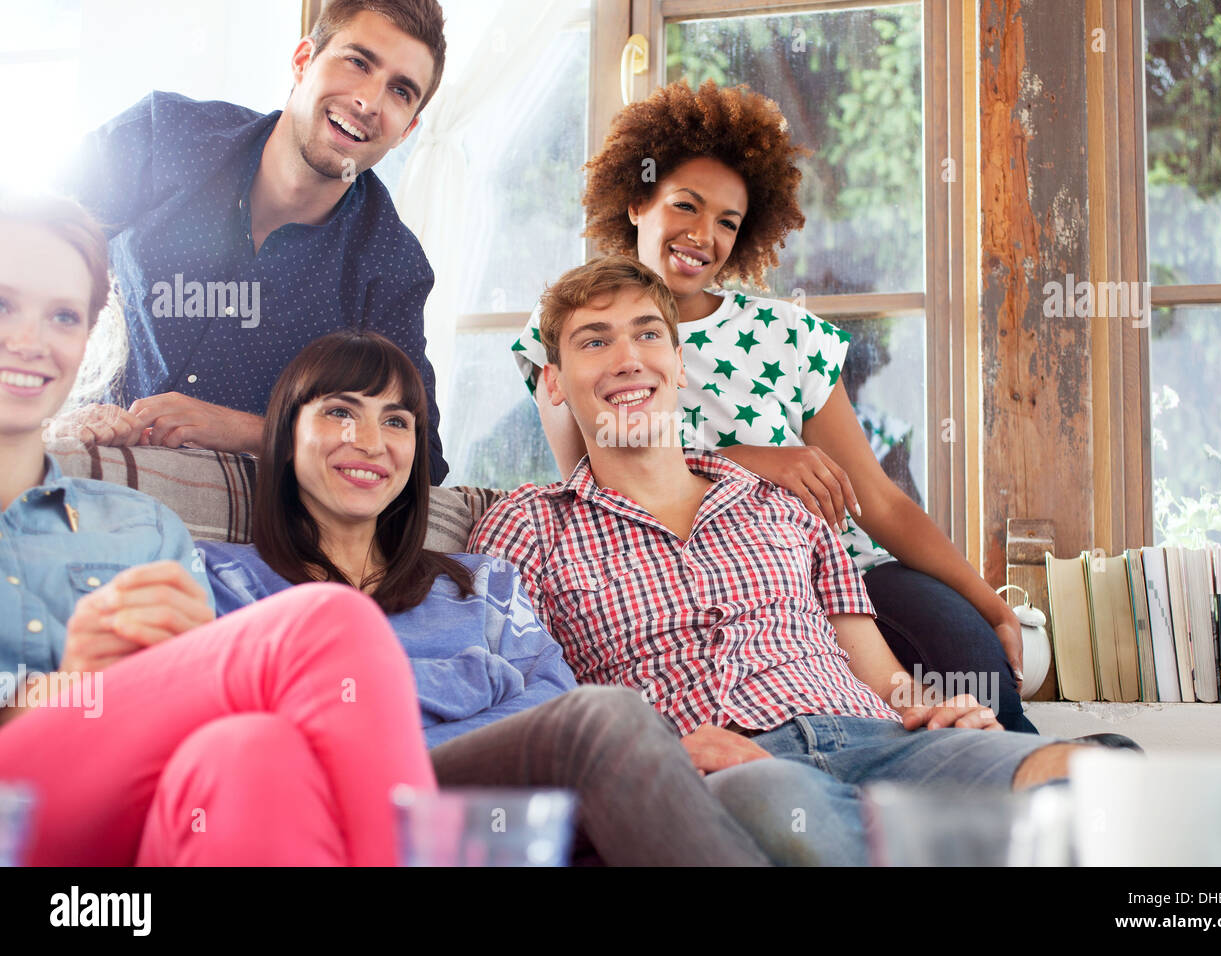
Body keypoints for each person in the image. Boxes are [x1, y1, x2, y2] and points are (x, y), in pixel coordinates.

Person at [476, 256, 1088, 865]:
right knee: (776, 802)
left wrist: (935, 708)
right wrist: (655, 753)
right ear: (553, 381)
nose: (627, 358)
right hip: (730, 767)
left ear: (679, 361)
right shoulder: (529, 525)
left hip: (881, 742)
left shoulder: (782, 506)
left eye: (646, 334)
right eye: (594, 341)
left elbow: (881, 676)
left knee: (1088, 774)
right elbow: (516, 705)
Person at [510, 80, 1033, 731]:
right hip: (703, 586)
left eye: (728, 222)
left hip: (847, 576)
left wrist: (988, 604)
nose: (704, 234)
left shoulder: (789, 335)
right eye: (686, 205)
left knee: (977, 682)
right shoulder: (570, 328)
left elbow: (880, 499)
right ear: (638, 200)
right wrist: (751, 460)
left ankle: (1031, 801)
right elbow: (595, 484)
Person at [199, 329, 773, 866]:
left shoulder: (483, 583)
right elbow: (230, 731)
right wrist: (480, 681)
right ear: (285, 430)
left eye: (397, 422)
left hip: (503, 824)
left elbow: (550, 708)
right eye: (340, 412)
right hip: (346, 816)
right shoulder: (218, 579)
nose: (371, 443)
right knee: (609, 717)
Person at [0, 193, 436, 866]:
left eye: (61, 315)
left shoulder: (144, 527)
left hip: (114, 849)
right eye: (4, 303)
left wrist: (154, 681)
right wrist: (63, 690)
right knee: (326, 624)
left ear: (87, 338)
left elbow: (190, 726)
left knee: (252, 753)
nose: (28, 340)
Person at [59, 0, 451, 481]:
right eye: (358, 62)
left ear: (406, 130)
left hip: (240, 533)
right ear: (304, 60)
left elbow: (419, 456)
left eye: (400, 91)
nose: (369, 101)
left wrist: (251, 431)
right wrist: (58, 406)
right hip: (76, 469)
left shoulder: (391, 265)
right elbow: (25, 255)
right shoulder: (164, 135)